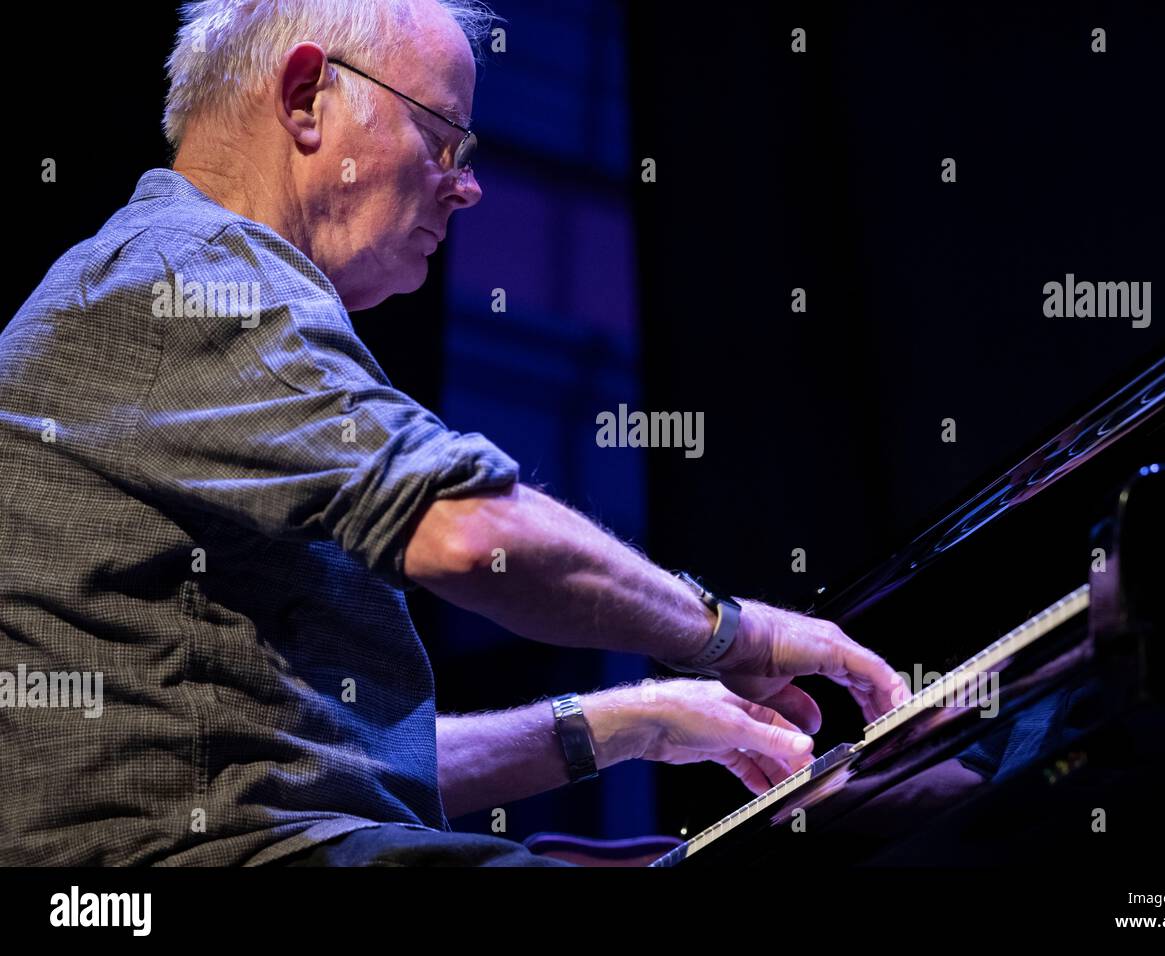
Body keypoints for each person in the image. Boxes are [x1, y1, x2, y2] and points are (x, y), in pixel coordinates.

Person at [0, 0, 900, 866]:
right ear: (308, 97)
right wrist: (733, 635)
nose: (467, 187)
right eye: (442, 137)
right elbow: (471, 534)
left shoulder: (165, 289)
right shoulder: (189, 276)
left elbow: (344, 767)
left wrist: (639, 720)